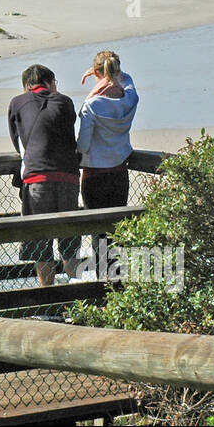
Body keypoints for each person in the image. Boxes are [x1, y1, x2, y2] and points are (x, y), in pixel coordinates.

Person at [7, 64, 80, 285]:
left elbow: (17, 140)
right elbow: (70, 130)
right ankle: (76, 297)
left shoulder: (17, 103)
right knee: (69, 243)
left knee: (40, 244)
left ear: (26, 85)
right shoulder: (65, 101)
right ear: (49, 82)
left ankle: (48, 300)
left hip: (37, 179)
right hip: (68, 177)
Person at [77, 50, 139, 275]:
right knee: (117, 231)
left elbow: (83, 146)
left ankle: (104, 289)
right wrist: (112, 75)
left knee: (98, 234)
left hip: (94, 176)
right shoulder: (129, 99)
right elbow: (128, 81)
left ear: (95, 73)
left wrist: (96, 86)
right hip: (119, 174)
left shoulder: (91, 105)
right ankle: (119, 286)